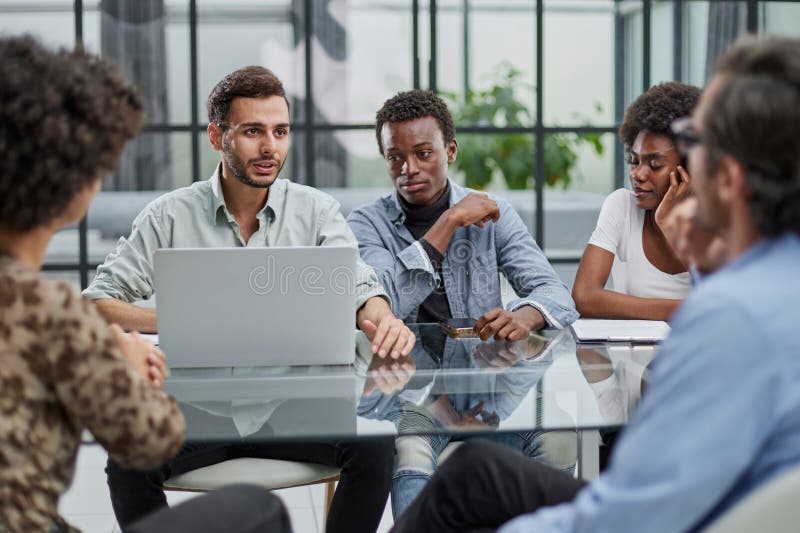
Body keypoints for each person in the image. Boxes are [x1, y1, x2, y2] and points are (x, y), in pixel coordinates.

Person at [391, 35, 800, 533]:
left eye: (696, 142)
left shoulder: (728, 319)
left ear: (729, 175)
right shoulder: (769, 284)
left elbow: (630, 516)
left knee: (465, 488)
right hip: (728, 501)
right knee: (479, 475)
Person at [82, 65, 415, 533]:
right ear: (217, 136)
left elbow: (360, 287)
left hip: (294, 404)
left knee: (378, 448)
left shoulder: (316, 211)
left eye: (280, 132)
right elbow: (95, 305)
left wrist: (381, 319)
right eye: (253, 131)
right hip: (195, 407)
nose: (270, 148)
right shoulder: (168, 215)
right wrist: (172, 318)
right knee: (126, 462)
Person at [0, 35, 290, 533]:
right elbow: (151, 442)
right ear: (75, 182)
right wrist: (135, 368)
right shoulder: (47, 312)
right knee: (258, 508)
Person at [347, 90, 578, 517]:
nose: (408, 169)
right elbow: (386, 300)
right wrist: (449, 221)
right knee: (410, 453)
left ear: (449, 150)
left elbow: (555, 293)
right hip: (412, 397)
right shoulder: (366, 224)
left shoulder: (493, 213)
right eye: (394, 157)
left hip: (491, 393)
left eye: (422, 153)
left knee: (560, 438)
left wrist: (525, 315)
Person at [572, 82, 700, 321]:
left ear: (691, 168)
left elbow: (724, 306)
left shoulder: (720, 224)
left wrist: (669, 225)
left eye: (654, 164)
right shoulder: (622, 206)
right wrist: (686, 310)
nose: (638, 174)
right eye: (634, 160)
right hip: (632, 356)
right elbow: (584, 297)